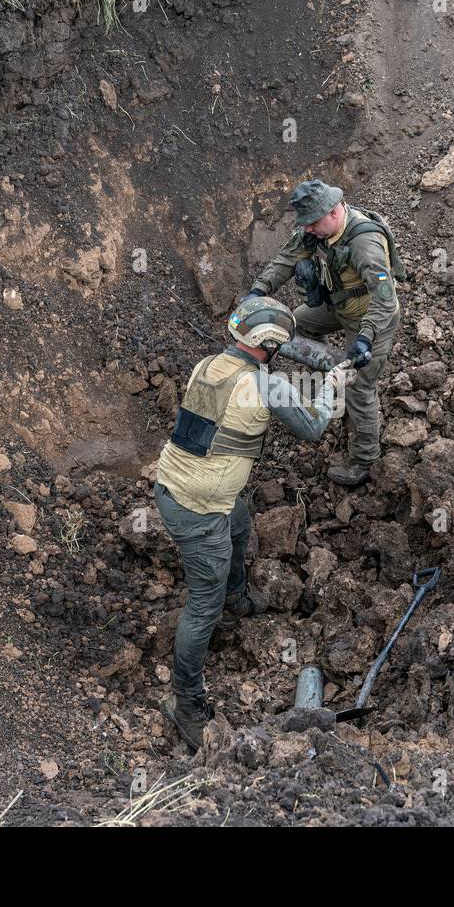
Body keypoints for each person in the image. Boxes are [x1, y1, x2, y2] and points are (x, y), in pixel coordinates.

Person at [154, 296, 357, 751]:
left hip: (178, 486)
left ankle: (238, 596)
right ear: (268, 345)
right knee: (201, 605)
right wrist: (335, 381)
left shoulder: (207, 364)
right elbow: (314, 426)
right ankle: (185, 702)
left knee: (241, 527)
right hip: (200, 510)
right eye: (279, 346)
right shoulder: (268, 387)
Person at [244, 179, 405, 486]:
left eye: (312, 223)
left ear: (334, 212)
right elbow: (286, 260)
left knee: (360, 388)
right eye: (304, 224)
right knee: (294, 325)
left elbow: (386, 300)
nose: (307, 230)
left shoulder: (364, 243)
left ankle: (365, 460)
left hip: (372, 319)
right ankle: (330, 379)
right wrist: (257, 291)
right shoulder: (314, 230)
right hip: (337, 305)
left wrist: (364, 338)